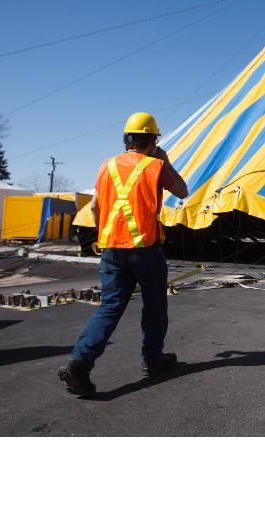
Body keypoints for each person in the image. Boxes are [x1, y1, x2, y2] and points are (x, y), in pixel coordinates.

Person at [57, 111, 189, 398]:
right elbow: (182, 190)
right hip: (145, 249)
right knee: (154, 306)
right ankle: (153, 359)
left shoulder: (107, 165)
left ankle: (79, 363)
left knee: (110, 306)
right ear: (153, 141)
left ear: (126, 139)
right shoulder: (155, 165)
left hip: (112, 249)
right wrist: (165, 161)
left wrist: (103, 235)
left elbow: (94, 207)